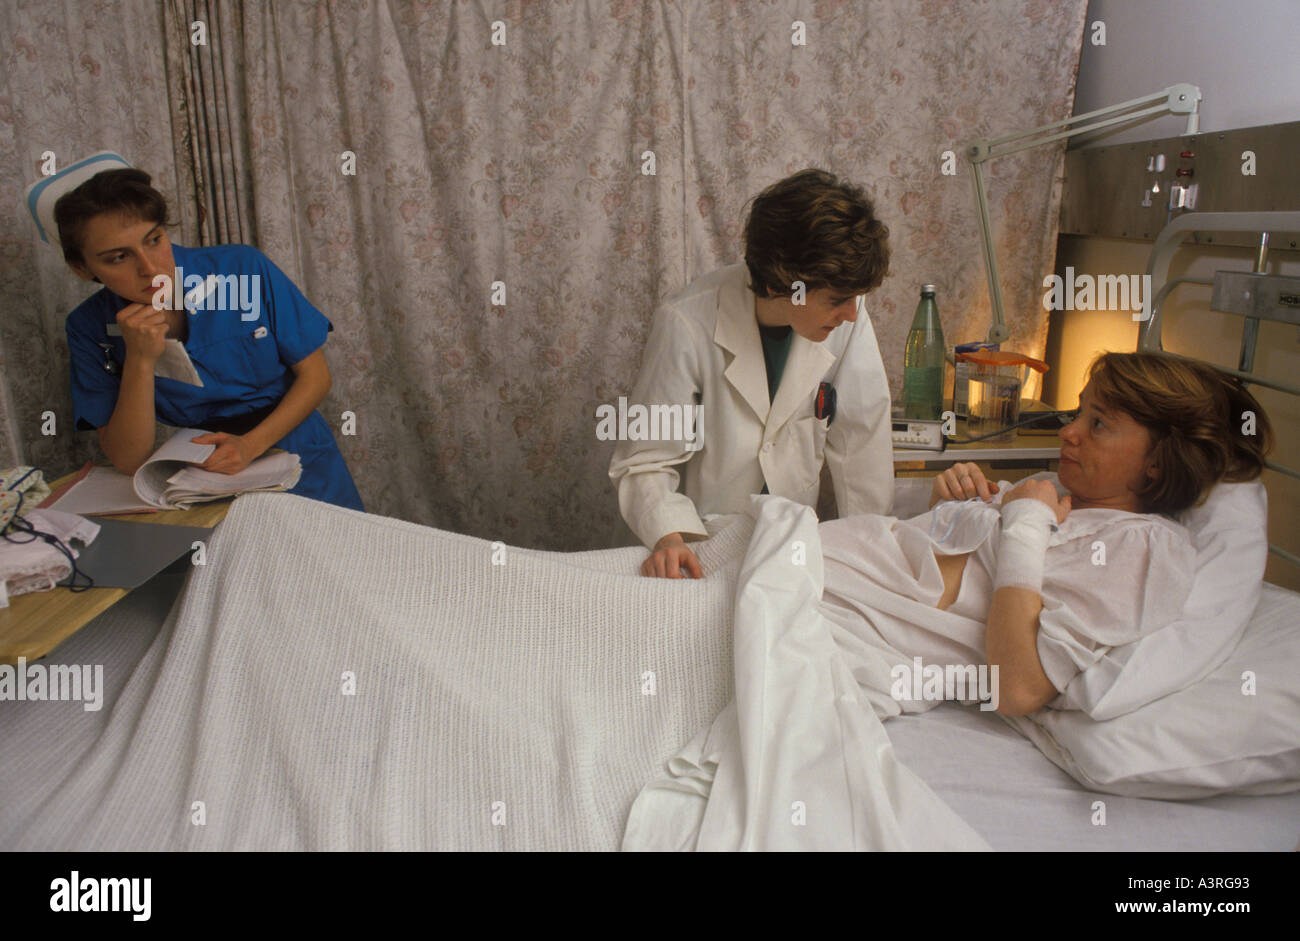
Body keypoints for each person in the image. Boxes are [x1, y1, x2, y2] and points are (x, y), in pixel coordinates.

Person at [817, 351, 1273, 717]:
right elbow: (962, 570)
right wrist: (948, 505)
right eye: (1079, 412)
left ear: (1156, 460)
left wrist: (1026, 525)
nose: (1069, 431)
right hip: (834, 564)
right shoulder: (1054, 489)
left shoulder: (1142, 547)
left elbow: (1016, 689)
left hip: (847, 613)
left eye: (1098, 423)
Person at [609, 169, 894, 578]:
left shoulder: (847, 315)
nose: (850, 314)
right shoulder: (686, 323)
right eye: (838, 300)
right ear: (785, 281)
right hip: (700, 546)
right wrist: (669, 537)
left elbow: (861, 442)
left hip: (787, 548)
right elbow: (645, 461)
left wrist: (871, 552)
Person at [39, 161, 363, 511]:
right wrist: (140, 360)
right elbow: (129, 458)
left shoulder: (241, 270)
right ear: (82, 268)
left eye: (154, 240)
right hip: (202, 471)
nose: (149, 268)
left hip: (298, 450)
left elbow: (316, 377)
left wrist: (250, 446)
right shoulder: (88, 326)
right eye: (119, 257)